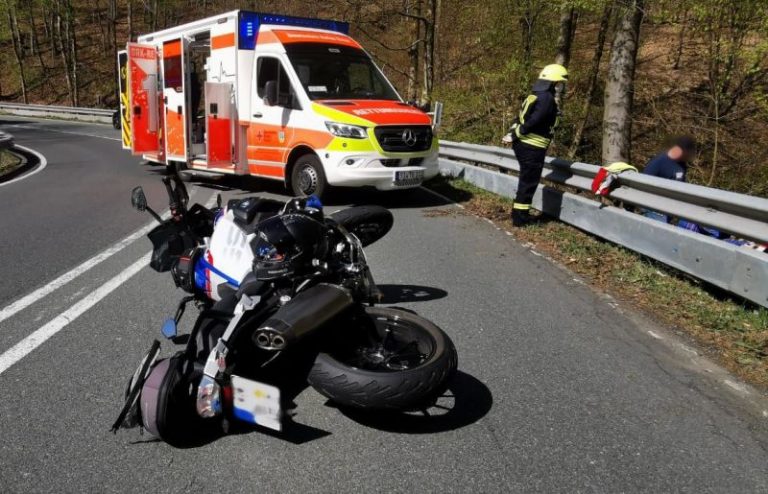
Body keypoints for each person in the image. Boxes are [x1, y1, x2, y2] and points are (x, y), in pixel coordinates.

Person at [506, 64, 568, 227]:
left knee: (526, 180)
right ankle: (521, 219)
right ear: (553, 82)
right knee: (529, 182)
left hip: (525, 145)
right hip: (532, 147)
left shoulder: (536, 95)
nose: (559, 87)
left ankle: (518, 214)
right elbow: (535, 120)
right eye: (558, 83)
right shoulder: (547, 98)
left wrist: (514, 133)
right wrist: (519, 133)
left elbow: (523, 118)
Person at [642, 136, 696, 222]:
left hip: (670, 208)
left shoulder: (682, 165)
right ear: (682, 150)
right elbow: (644, 183)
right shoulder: (658, 162)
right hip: (654, 207)